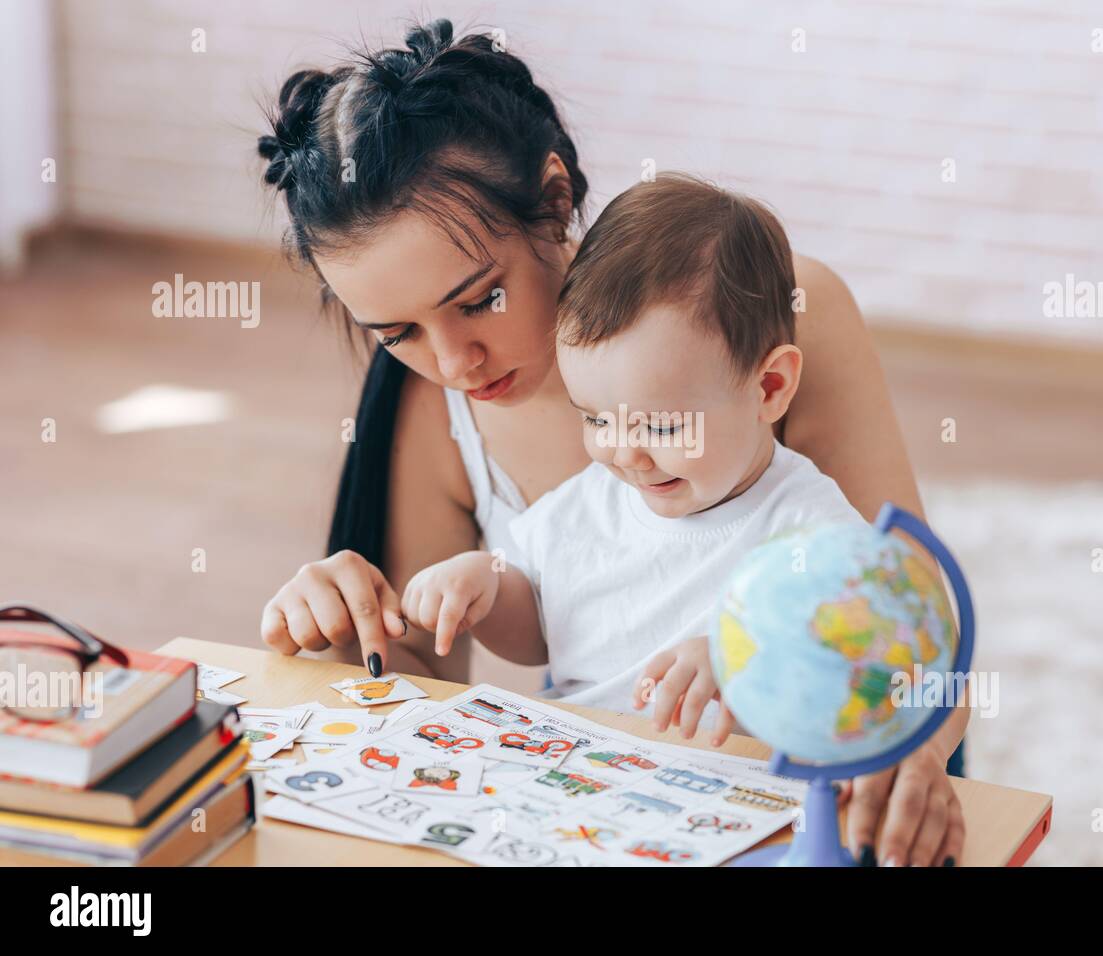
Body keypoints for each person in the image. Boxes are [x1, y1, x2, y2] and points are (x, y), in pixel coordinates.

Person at [256, 19, 968, 866]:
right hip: (613, 802)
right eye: (395, 330)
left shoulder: (770, 313)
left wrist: (902, 751)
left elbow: (921, 633)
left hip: (807, 783)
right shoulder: (428, 403)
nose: (454, 363)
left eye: (480, 299)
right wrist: (346, 619)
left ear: (554, 199)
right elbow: (422, 675)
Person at [401, 174, 868, 752]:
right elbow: (540, 634)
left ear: (769, 387)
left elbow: (869, 654)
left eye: (663, 425)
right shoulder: (588, 503)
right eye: (596, 419)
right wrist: (486, 588)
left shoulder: (807, 527)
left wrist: (747, 662)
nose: (624, 453)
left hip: (730, 786)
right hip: (579, 764)